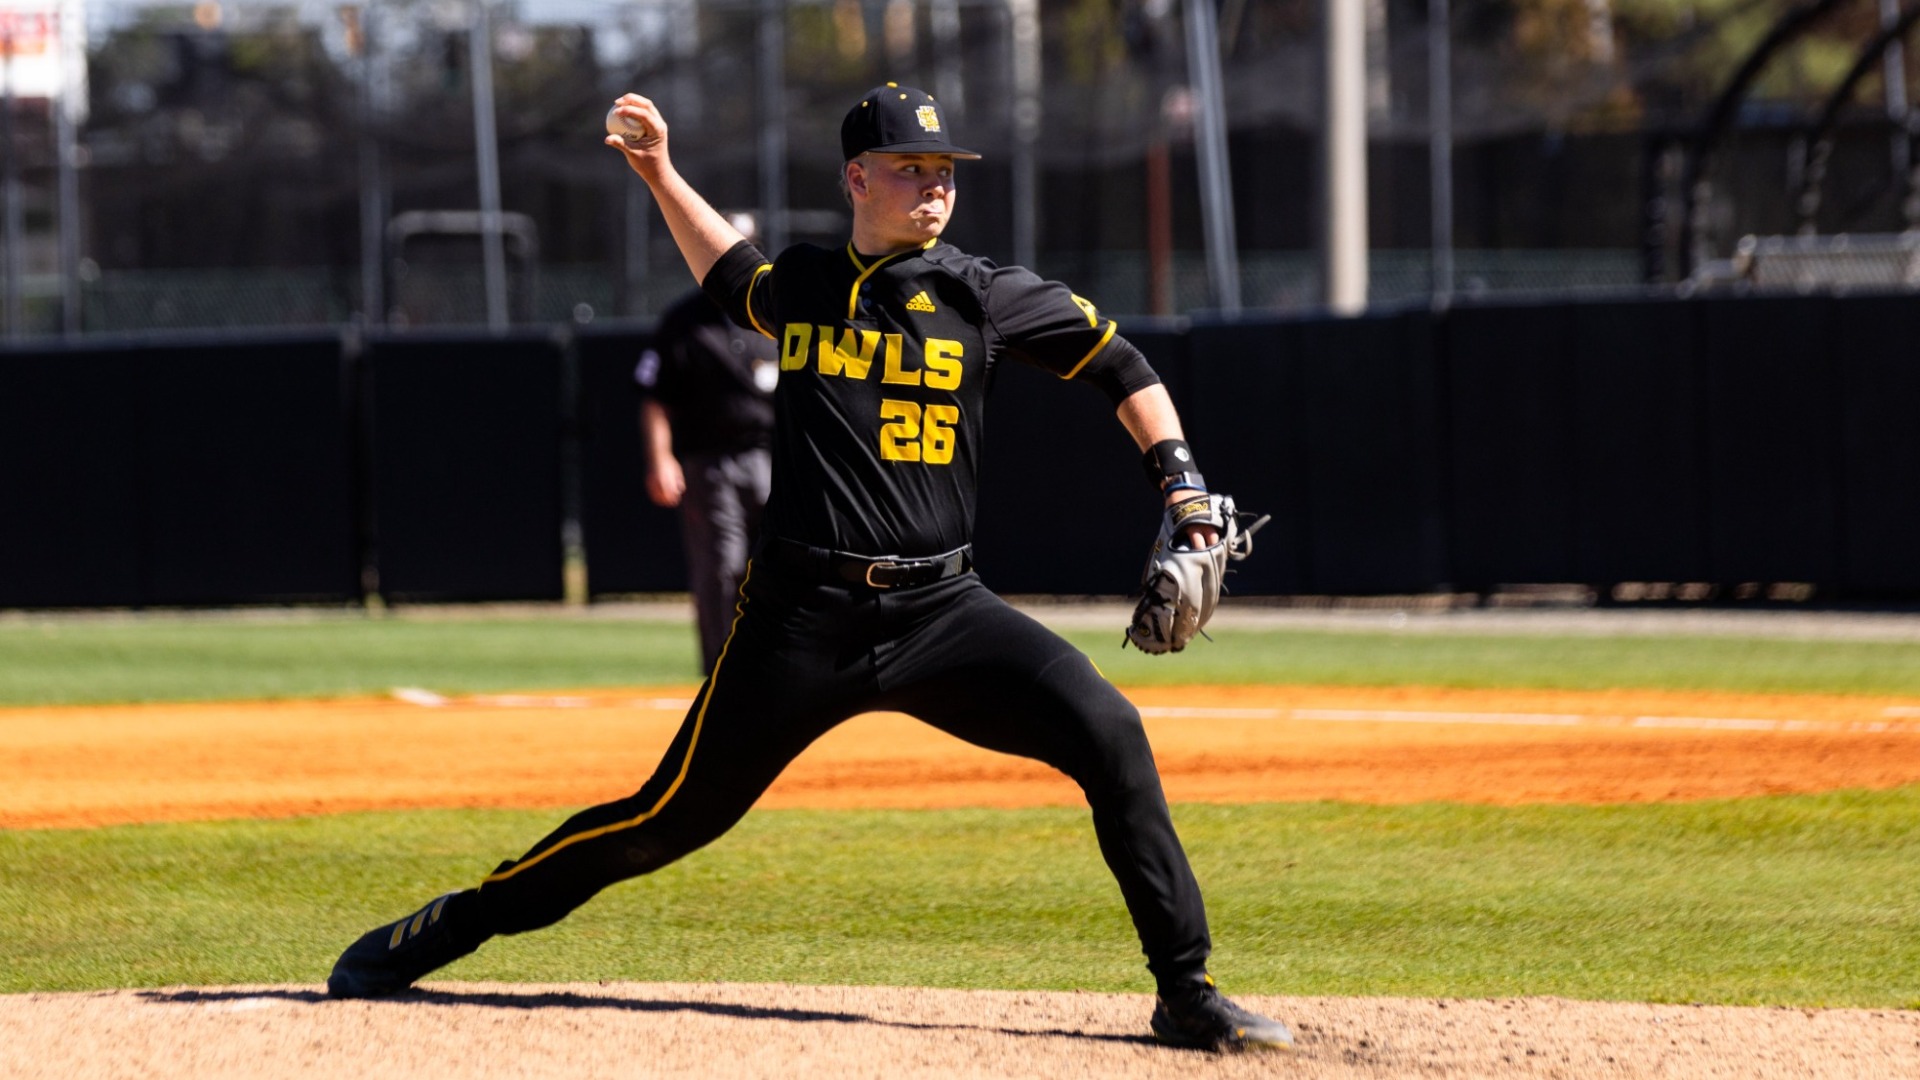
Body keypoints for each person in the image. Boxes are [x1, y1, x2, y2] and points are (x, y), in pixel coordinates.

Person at [327, 83, 1292, 1054]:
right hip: (799, 618)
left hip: (942, 610)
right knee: (661, 821)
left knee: (1112, 733)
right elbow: (728, 273)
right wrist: (659, 172)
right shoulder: (806, 285)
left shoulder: (983, 294)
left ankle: (1187, 989)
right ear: (856, 179)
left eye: (944, 170)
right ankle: (448, 927)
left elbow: (1123, 365)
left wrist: (1183, 490)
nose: (934, 186)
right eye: (910, 169)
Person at [636, 228, 779, 673]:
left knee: (781, 564)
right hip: (712, 462)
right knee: (723, 565)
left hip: (777, 460)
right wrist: (661, 459)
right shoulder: (684, 320)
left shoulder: (774, 312)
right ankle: (723, 671)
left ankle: (780, 667)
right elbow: (655, 396)